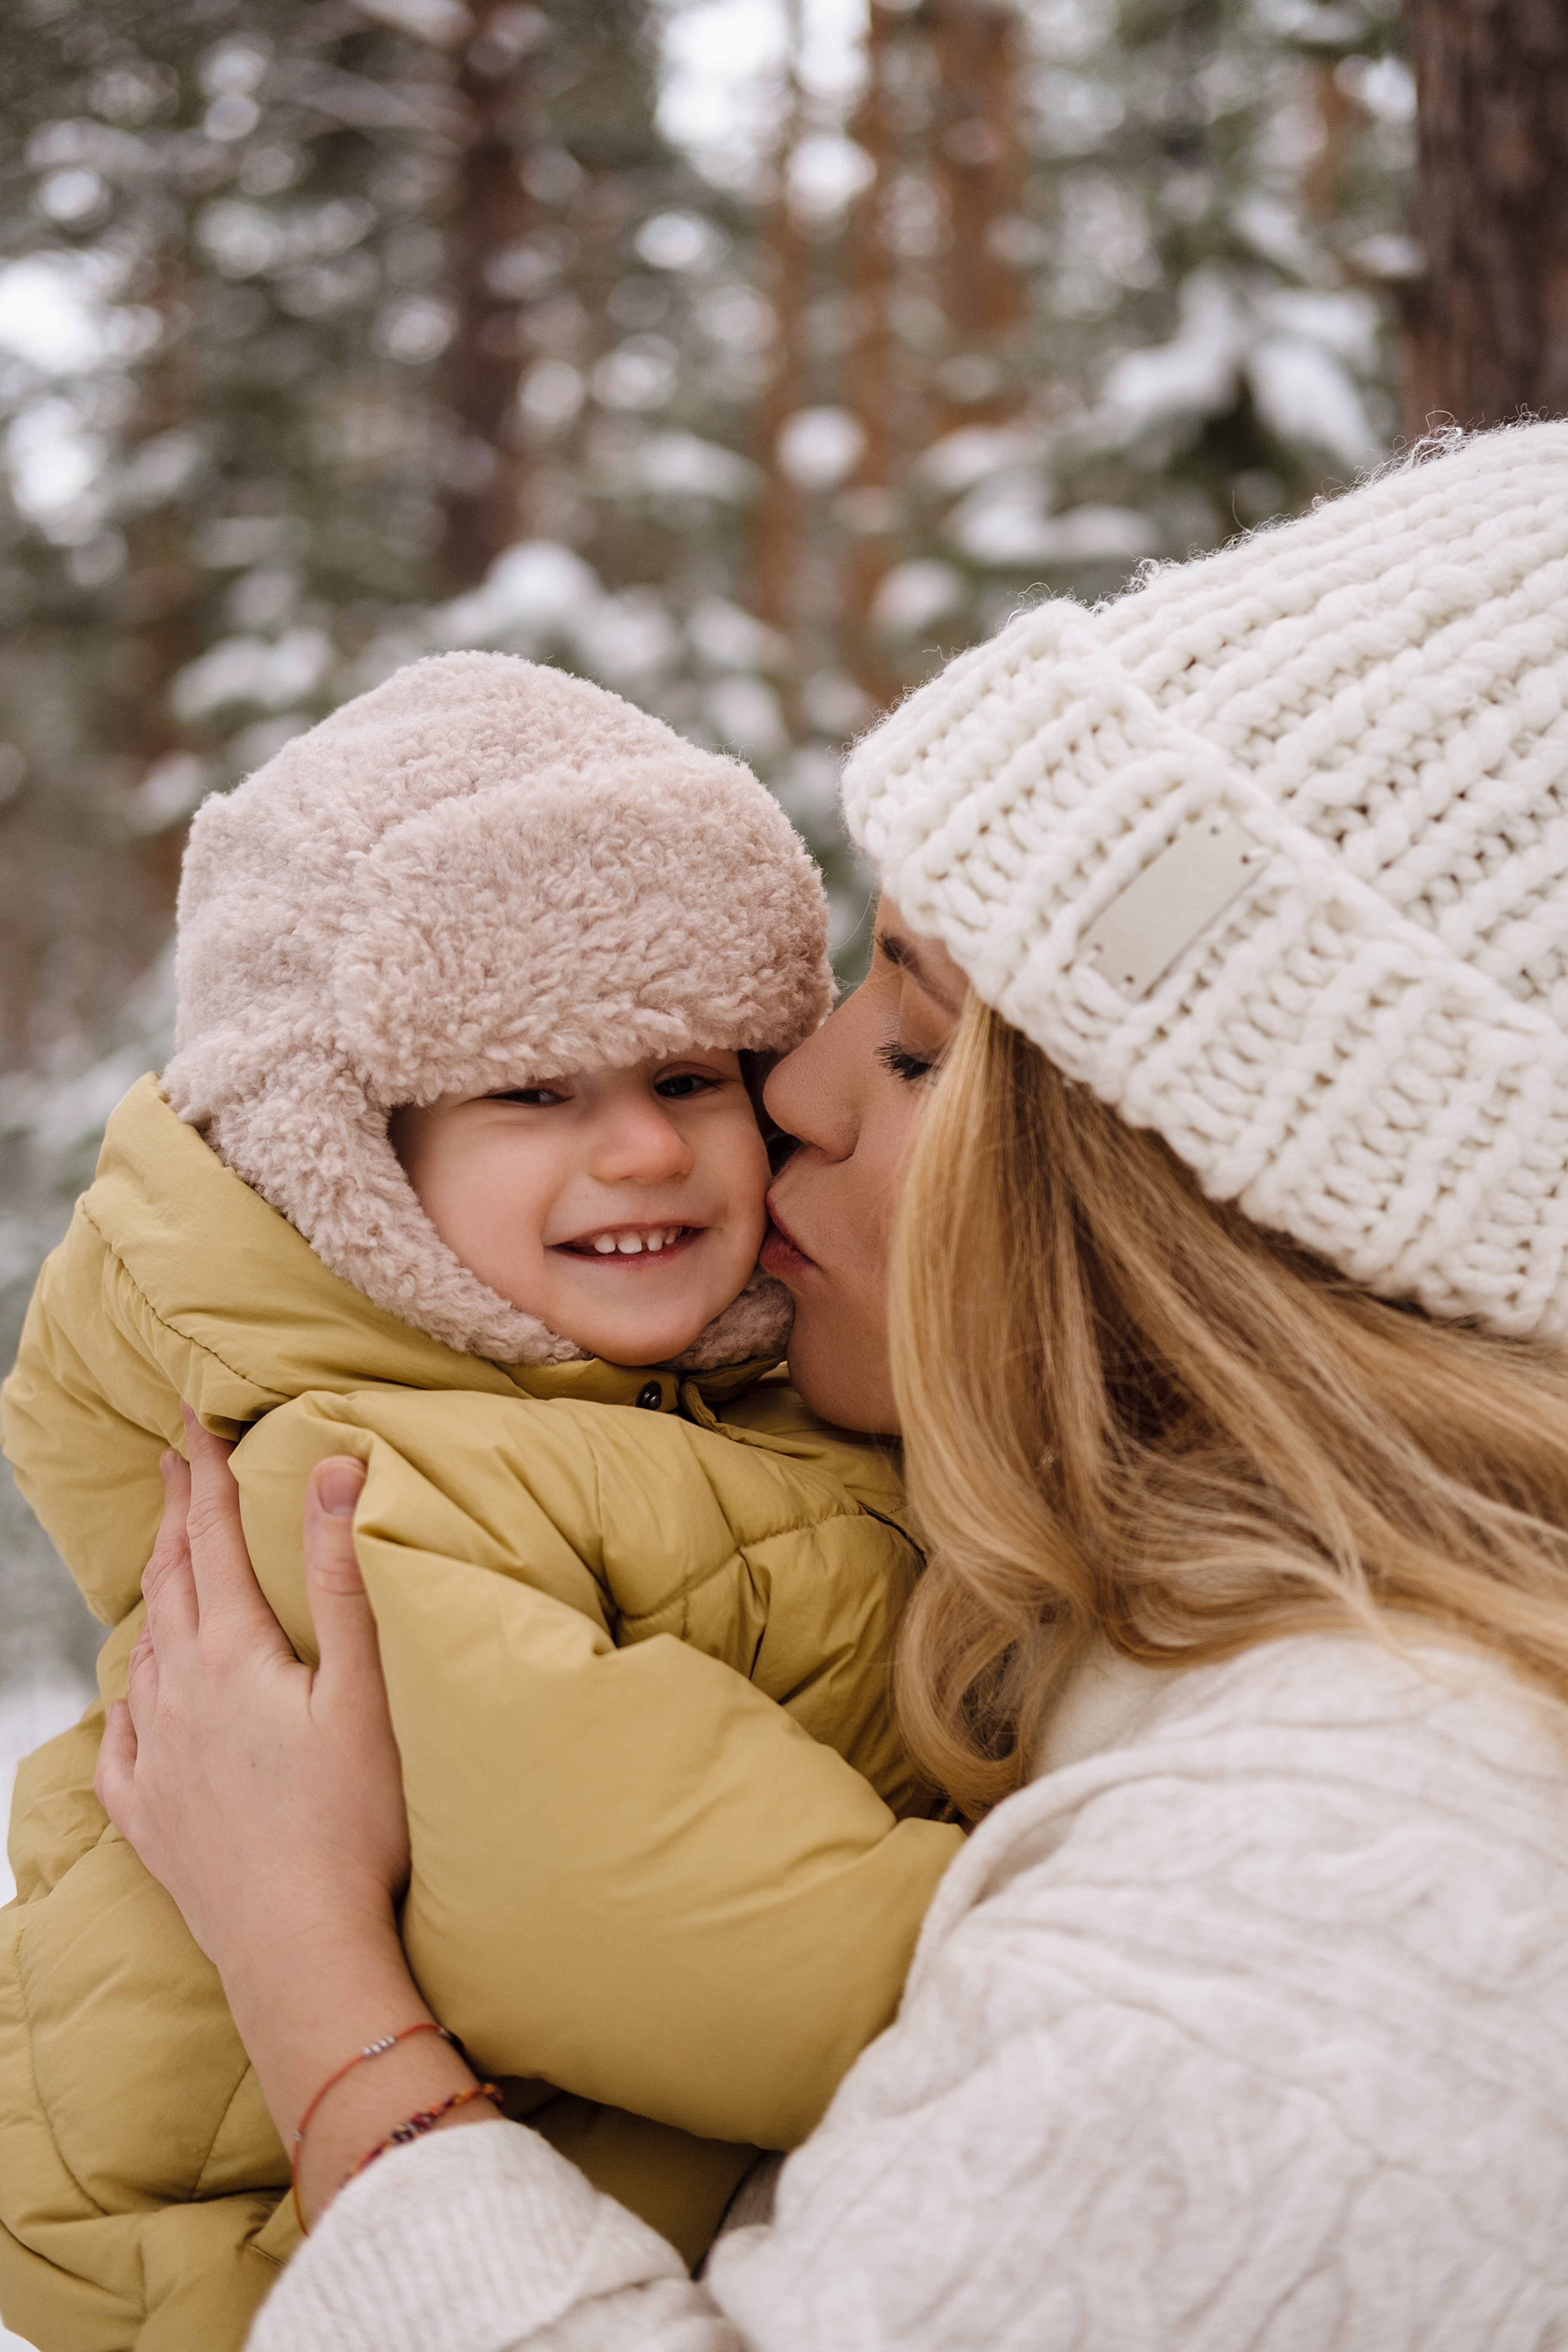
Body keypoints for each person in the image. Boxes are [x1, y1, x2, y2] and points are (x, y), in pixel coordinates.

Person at [103, 420, 1568, 2347]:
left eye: (916, 1050)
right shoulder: (1201, 1657)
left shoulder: (1336, 1903)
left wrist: (318, 1997)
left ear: (1207, 1204)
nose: (786, 1084)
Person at [0, 650, 965, 2352]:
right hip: (270, 2258)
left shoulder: (709, 1409)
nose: (649, 1152)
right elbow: (668, 1928)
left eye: (690, 1078)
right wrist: (1051, 1925)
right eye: (534, 1091)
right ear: (352, 1156)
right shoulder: (363, 1491)